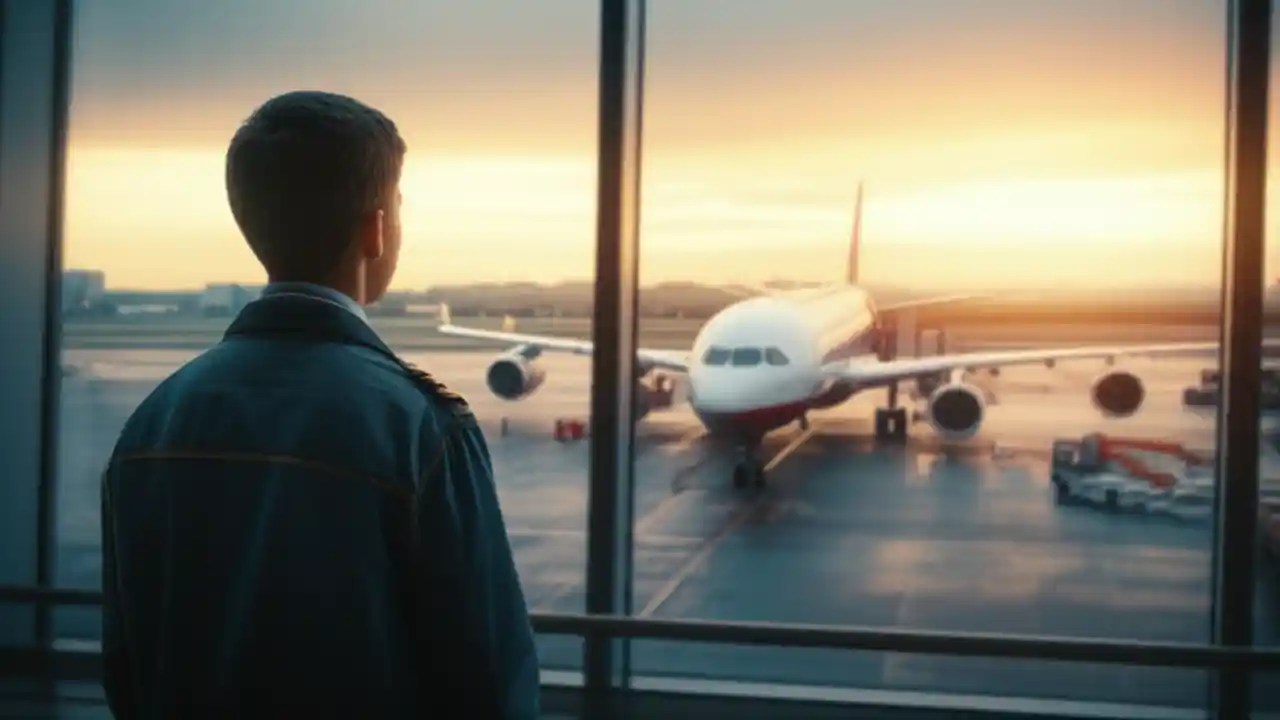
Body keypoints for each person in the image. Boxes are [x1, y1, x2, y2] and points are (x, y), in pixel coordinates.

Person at [100, 90, 539, 718]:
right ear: (377, 229)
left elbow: (126, 666)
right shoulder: (419, 427)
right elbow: (492, 683)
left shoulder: (151, 424)